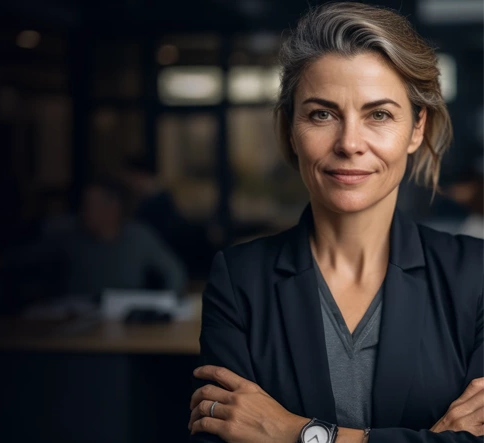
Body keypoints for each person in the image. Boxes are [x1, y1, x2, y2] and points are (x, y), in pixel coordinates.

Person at [187, 3, 484, 443]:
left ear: (416, 129)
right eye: (321, 114)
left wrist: (295, 433)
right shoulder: (240, 280)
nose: (349, 143)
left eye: (378, 115)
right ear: (291, 129)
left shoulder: (476, 275)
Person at [5, 179, 187, 299]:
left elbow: (174, 272)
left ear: (114, 207)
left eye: (93, 205)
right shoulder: (69, 235)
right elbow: (25, 259)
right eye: (84, 205)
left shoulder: (139, 236)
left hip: (123, 319)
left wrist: (162, 306)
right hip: (71, 320)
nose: (86, 211)